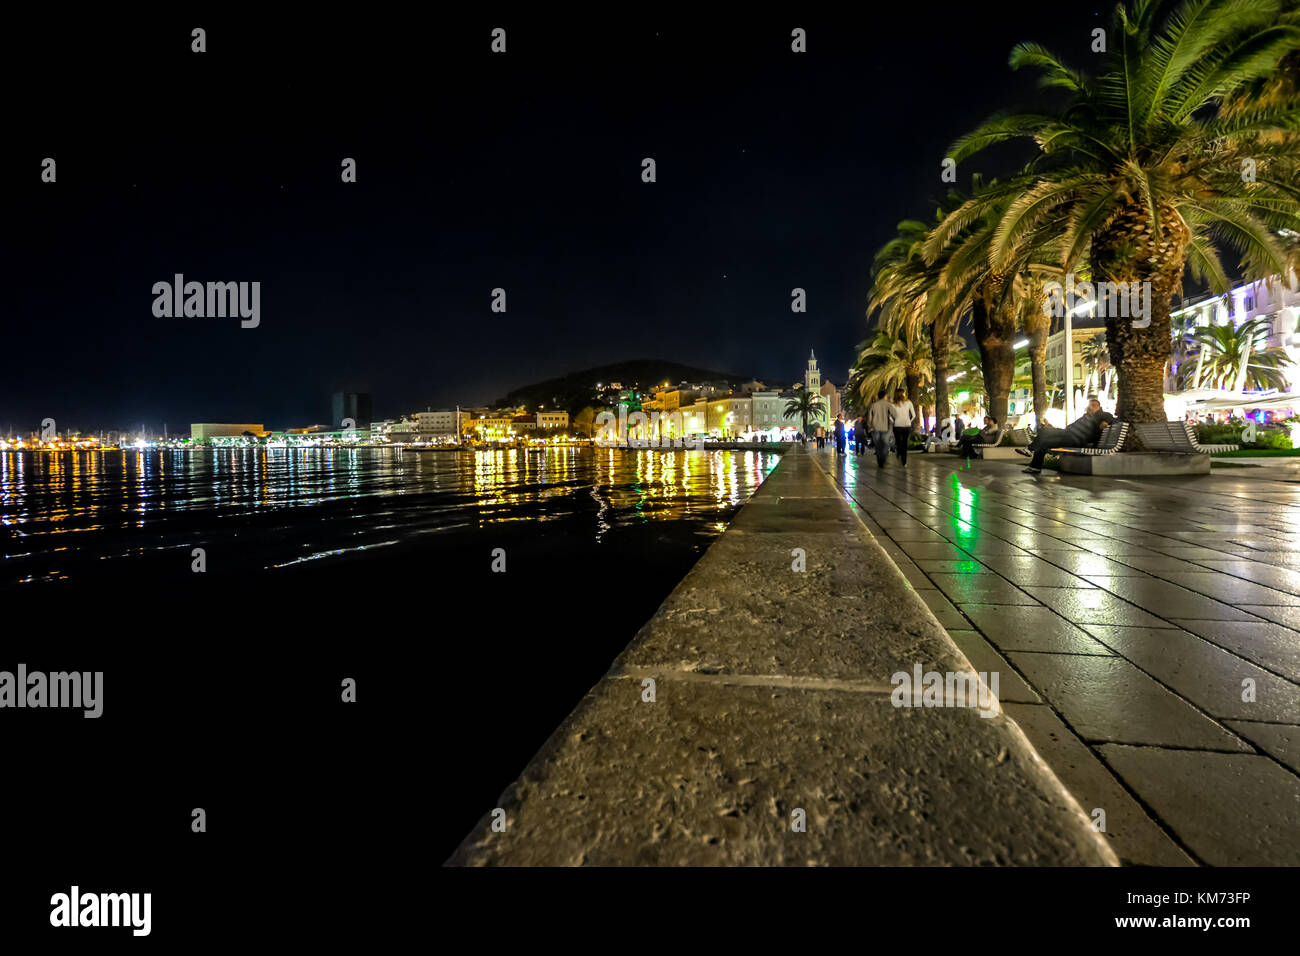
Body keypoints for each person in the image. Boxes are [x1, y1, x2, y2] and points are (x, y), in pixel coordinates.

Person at [1017, 398, 1116, 473]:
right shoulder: (1086, 416)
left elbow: (1111, 418)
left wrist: (1106, 422)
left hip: (1076, 439)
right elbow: (1071, 427)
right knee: (1044, 432)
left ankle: (1030, 451)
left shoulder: (1102, 415)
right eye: (1090, 405)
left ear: (1099, 407)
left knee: (1045, 437)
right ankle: (1034, 466)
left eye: (1094, 405)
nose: (1090, 407)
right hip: (1068, 433)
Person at [867, 389, 894, 468]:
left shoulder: (874, 405)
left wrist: (870, 425)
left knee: (878, 445)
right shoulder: (888, 404)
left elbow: (869, 417)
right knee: (885, 445)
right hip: (885, 428)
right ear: (885, 396)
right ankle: (883, 459)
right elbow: (894, 414)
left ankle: (879, 460)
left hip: (875, 427)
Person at [890, 388, 916, 467]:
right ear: (903, 394)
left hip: (897, 425)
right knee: (904, 444)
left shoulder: (893, 404)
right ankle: (904, 462)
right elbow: (914, 415)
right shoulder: (909, 403)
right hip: (906, 426)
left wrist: (894, 421)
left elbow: (889, 416)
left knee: (898, 442)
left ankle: (899, 452)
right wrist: (909, 421)